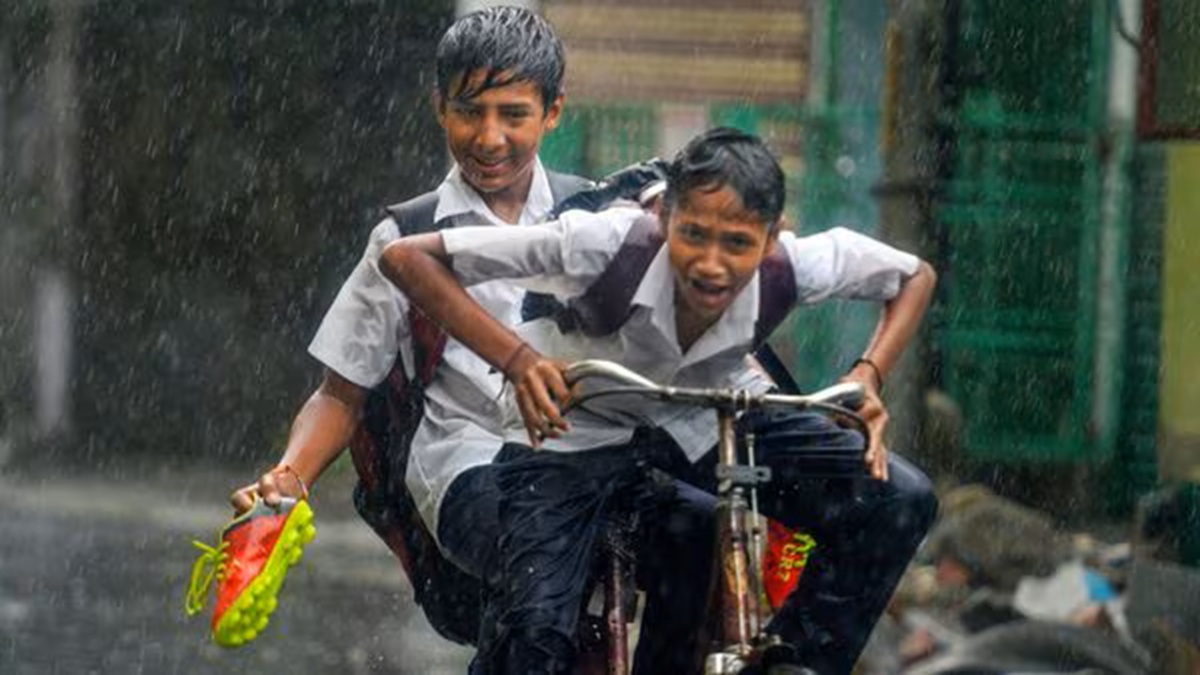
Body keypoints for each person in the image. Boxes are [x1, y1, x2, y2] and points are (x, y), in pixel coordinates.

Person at [222, 5, 714, 669]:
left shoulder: (600, 216)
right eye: (469, 111)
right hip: (472, 470)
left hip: (598, 461)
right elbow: (341, 391)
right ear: (439, 107)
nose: (490, 137)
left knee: (707, 534)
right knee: (541, 610)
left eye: (513, 114)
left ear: (553, 111)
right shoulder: (404, 237)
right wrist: (288, 481)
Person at [380, 127, 941, 674]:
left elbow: (914, 276)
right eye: (693, 234)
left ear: (773, 238)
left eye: (739, 244)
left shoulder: (792, 267)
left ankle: (797, 660)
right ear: (663, 217)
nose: (712, 264)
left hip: (704, 416)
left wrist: (869, 374)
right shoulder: (601, 244)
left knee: (897, 499)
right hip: (576, 430)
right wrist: (518, 361)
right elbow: (408, 259)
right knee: (537, 636)